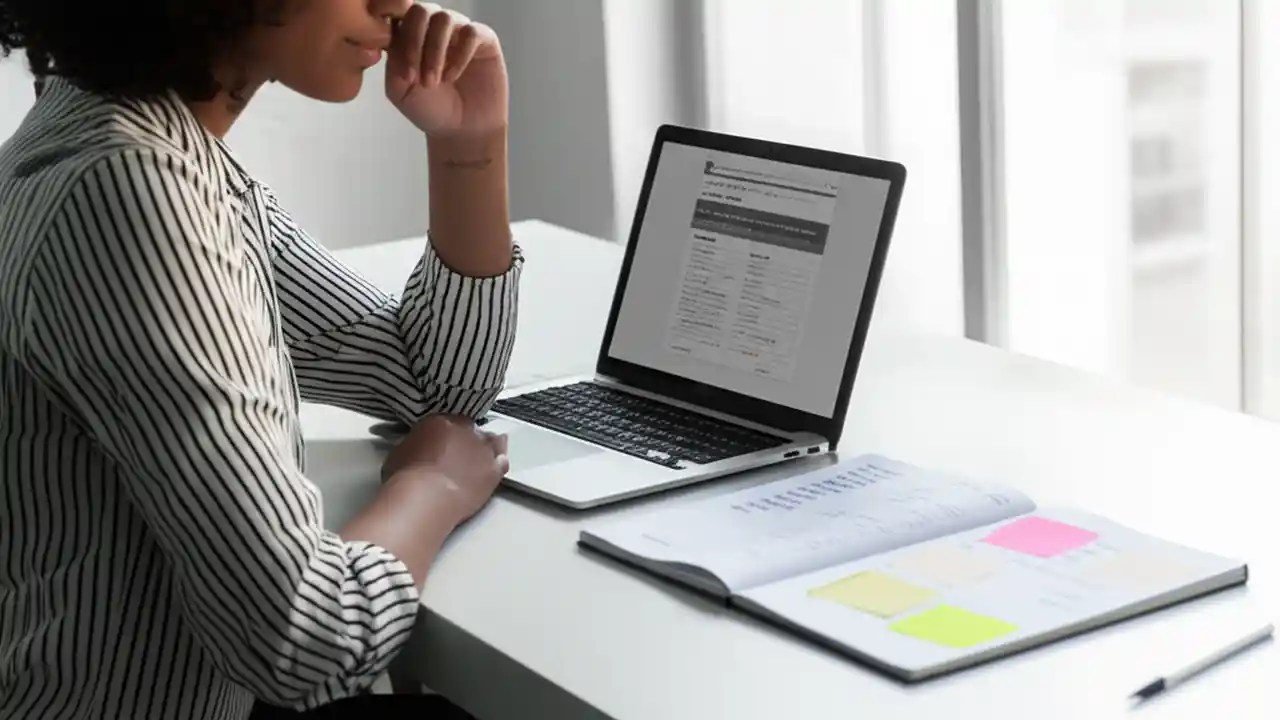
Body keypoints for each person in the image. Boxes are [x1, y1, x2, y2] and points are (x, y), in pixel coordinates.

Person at [0, 1, 521, 718]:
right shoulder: (127, 192)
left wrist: (470, 139)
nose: (396, 5)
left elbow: (435, 380)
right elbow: (303, 638)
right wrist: (430, 487)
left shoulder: (151, 147)